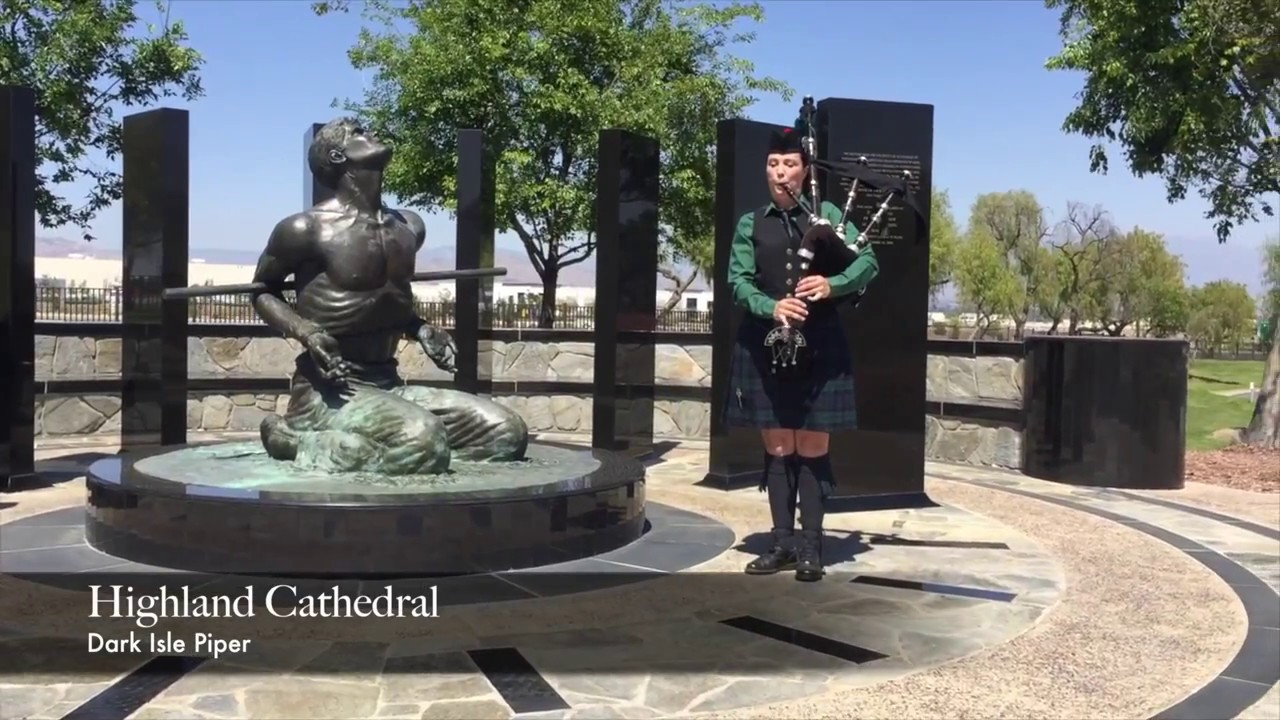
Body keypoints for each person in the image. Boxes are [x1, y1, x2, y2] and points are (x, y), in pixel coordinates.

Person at [250, 117, 528, 475]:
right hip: (330, 391)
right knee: (425, 439)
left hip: (388, 385)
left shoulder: (409, 227)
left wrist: (420, 328)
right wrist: (307, 332)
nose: (373, 132)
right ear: (337, 156)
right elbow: (262, 291)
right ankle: (299, 442)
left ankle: (405, 457)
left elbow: (381, 299)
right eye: (359, 132)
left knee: (506, 432)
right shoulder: (304, 229)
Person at [723, 126, 879, 581]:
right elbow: (738, 282)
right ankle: (782, 544)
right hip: (766, 344)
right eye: (773, 164)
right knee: (777, 444)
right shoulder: (751, 223)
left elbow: (869, 262)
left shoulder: (828, 215)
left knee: (811, 444)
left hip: (821, 345)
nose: (780, 172)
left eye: (789, 164)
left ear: (805, 171)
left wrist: (833, 285)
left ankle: (810, 547)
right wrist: (771, 306)